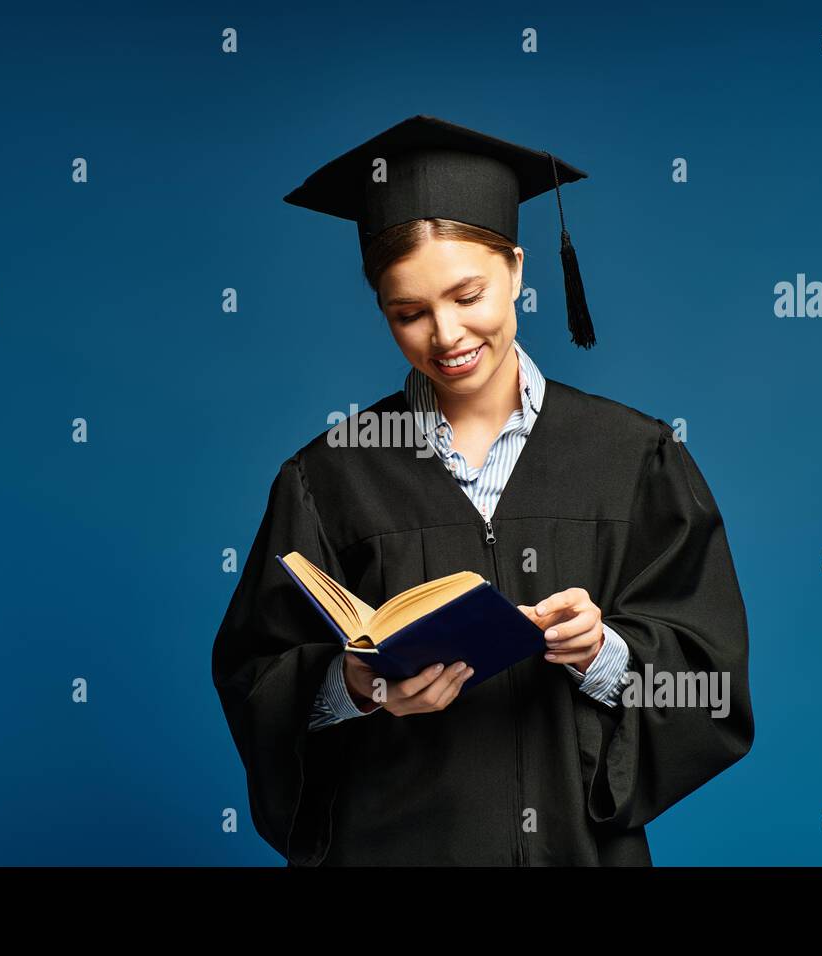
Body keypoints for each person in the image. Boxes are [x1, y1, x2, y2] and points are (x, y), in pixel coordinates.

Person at [211, 115, 754, 866]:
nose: (446, 335)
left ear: (519, 272)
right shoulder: (328, 476)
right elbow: (255, 678)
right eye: (409, 314)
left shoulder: (634, 458)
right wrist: (356, 683)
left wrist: (602, 651)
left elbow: (709, 682)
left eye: (469, 295)